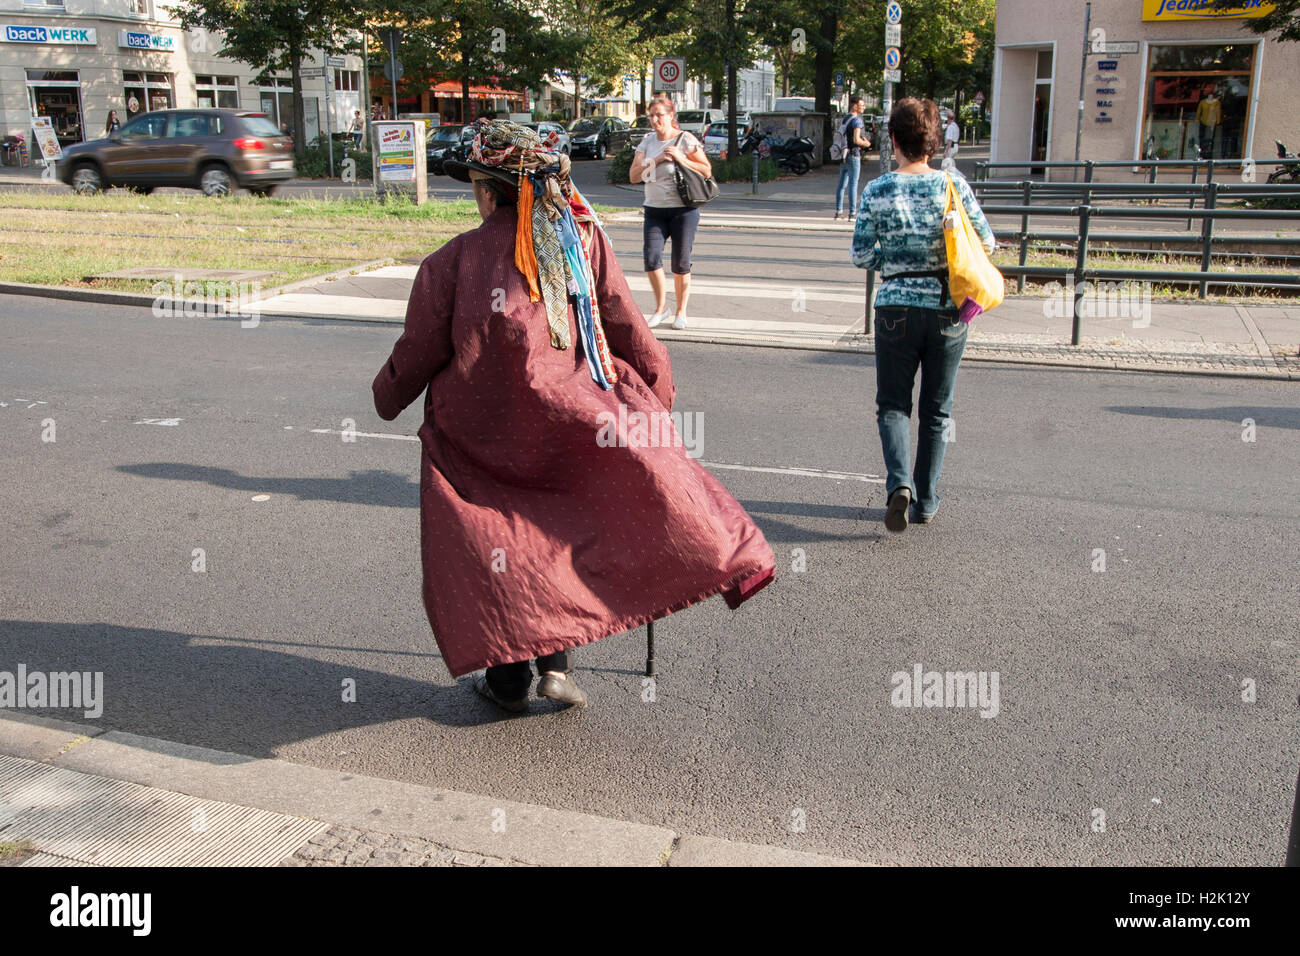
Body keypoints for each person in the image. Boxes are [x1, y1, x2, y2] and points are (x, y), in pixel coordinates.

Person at [372, 120, 774, 714]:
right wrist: (655, 392)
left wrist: (386, 395)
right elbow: (624, 322)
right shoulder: (583, 243)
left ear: (487, 190)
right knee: (558, 535)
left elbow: (417, 353)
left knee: (498, 540)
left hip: (479, 430)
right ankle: (555, 669)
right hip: (569, 417)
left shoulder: (451, 263)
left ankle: (507, 679)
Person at [852, 98, 995, 533]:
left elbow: (860, 255)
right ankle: (926, 500)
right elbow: (985, 243)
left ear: (893, 139)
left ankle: (899, 484)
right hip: (947, 310)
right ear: (933, 141)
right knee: (936, 411)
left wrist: (893, 261)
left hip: (894, 307)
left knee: (893, 406)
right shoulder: (952, 185)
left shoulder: (876, 190)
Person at [628, 96, 712, 330]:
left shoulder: (685, 140)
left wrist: (681, 159)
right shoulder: (647, 142)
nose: (655, 120)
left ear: (671, 116)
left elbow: (706, 170)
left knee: (680, 262)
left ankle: (681, 312)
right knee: (651, 258)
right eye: (651, 116)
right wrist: (655, 160)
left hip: (683, 210)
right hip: (654, 209)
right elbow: (634, 176)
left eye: (659, 115)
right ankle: (661, 308)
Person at [834, 95, 870, 221]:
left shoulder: (845, 119)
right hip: (854, 154)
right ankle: (852, 213)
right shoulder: (857, 120)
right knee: (853, 184)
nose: (864, 107)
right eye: (862, 105)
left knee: (841, 184)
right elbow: (856, 139)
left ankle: (838, 212)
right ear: (855, 106)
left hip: (843, 154)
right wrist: (866, 144)